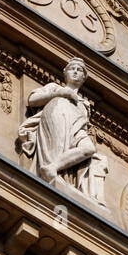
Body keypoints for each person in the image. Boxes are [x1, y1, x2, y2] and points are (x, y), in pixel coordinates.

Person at [19, 58, 100, 194]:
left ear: (84, 77)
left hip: (76, 129)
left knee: (89, 149)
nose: (75, 72)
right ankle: (53, 172)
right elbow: (32, 100)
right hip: (57, 116)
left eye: (79, 70)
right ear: (65, 73)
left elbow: (83, 125)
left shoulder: (84, 104)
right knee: (57, 145)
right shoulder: (55, 87)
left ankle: (53, 167)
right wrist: (61, 93)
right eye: (72, 69)